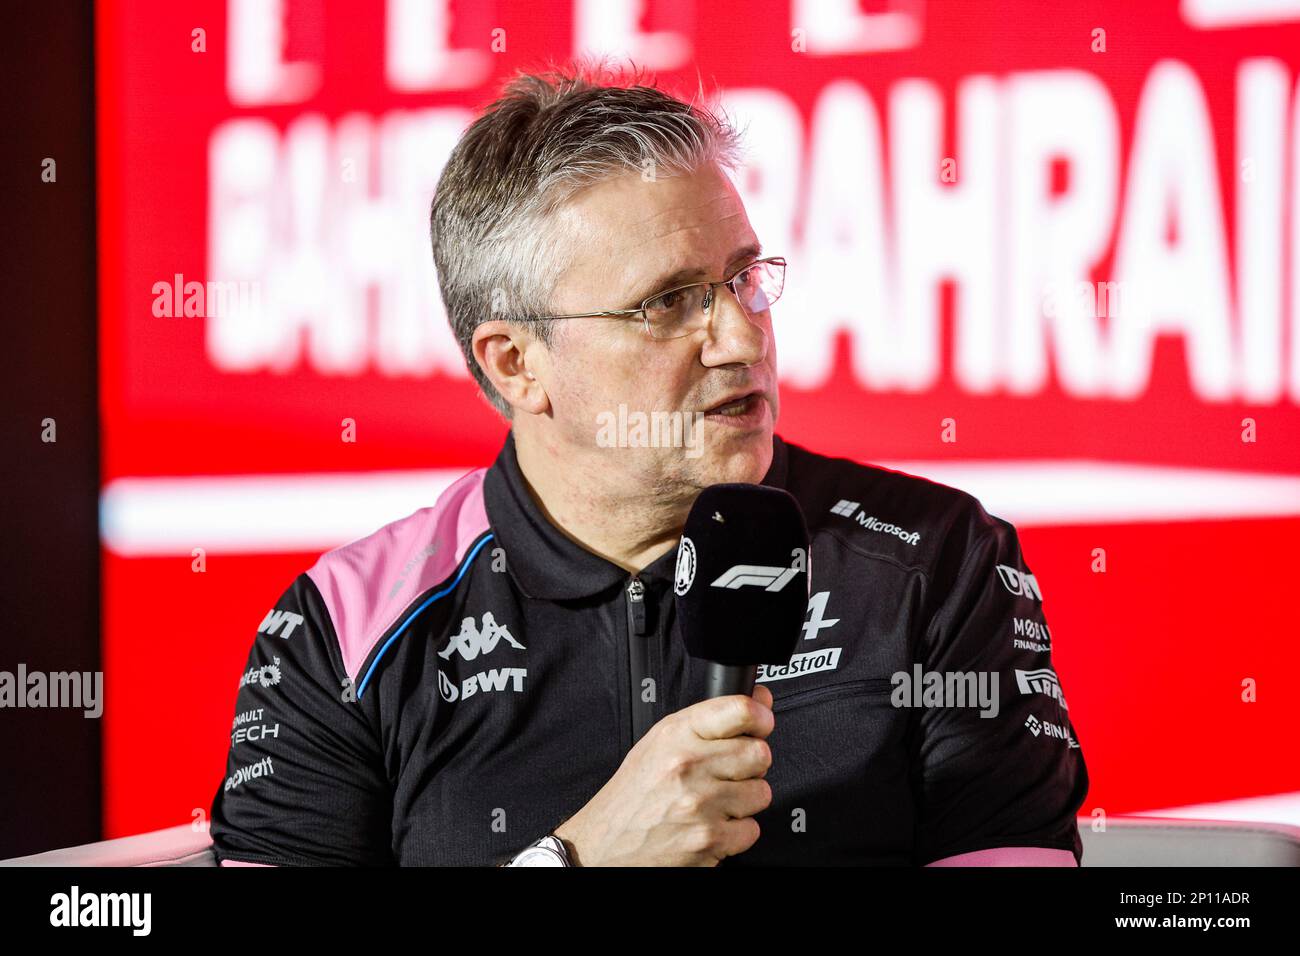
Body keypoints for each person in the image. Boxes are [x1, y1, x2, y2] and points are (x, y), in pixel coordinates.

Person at [210, 62, 1088, 867]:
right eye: (668, 302)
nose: (743, 337)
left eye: (745, 279)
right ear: (518, 364)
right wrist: (576, 862)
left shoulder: (934, 563)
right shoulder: (345, 631)